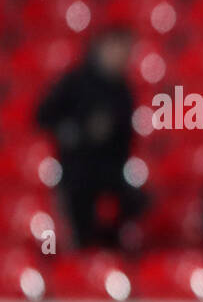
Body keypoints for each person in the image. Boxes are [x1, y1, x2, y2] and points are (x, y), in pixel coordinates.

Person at [35, 25, 146, 250]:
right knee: (78, 223)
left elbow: (127, 140)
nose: (122, 55)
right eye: (117, 47)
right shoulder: (76, 82)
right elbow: (43, 115)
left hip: (109, 172)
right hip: (77, 170)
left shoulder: (124, 90)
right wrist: (74, 132)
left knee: (136, 202)